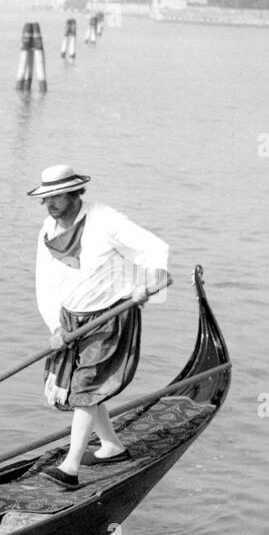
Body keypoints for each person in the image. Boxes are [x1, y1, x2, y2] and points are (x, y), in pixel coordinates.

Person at [28, 164, 170, 489]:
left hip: (111, 315)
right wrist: (55, 327)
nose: (49, 204)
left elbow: (153, 248)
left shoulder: (104, 218)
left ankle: (70, 468)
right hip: (71, 320)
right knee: (83, 388)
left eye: (57, 197)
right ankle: (112, 447)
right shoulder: (48, 231)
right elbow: (45, 283)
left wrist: (153, 278)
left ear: (75, 193)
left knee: (88, 385)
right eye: (45, 198)